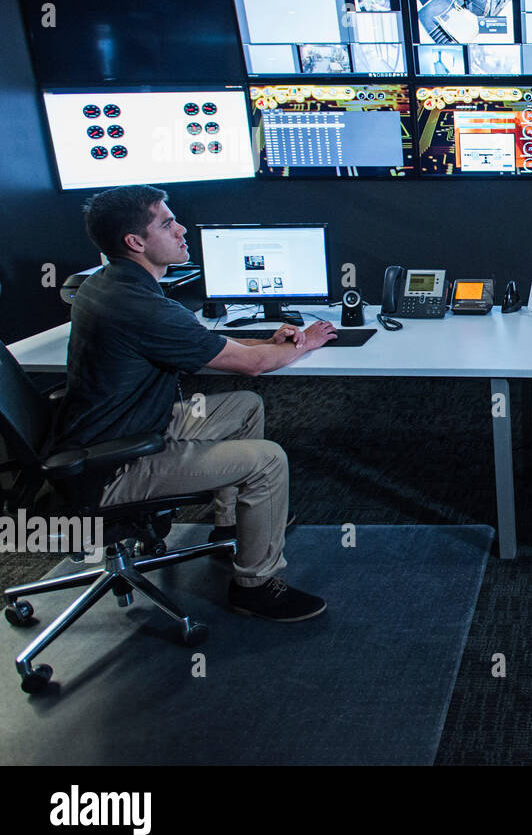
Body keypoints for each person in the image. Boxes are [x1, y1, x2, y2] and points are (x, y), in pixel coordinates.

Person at [48, 185, 337, 621]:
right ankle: (255, 586)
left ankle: (229, 528)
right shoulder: (141, 306)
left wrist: (267, 339)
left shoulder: (109, 284)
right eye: (166, 223)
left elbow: (207, 342)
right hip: (115, 465)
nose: (182, 229)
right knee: (268, 460)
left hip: (121, 431)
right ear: (135, 242)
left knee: (243, 407)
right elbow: (253, 366)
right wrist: (306, 341)